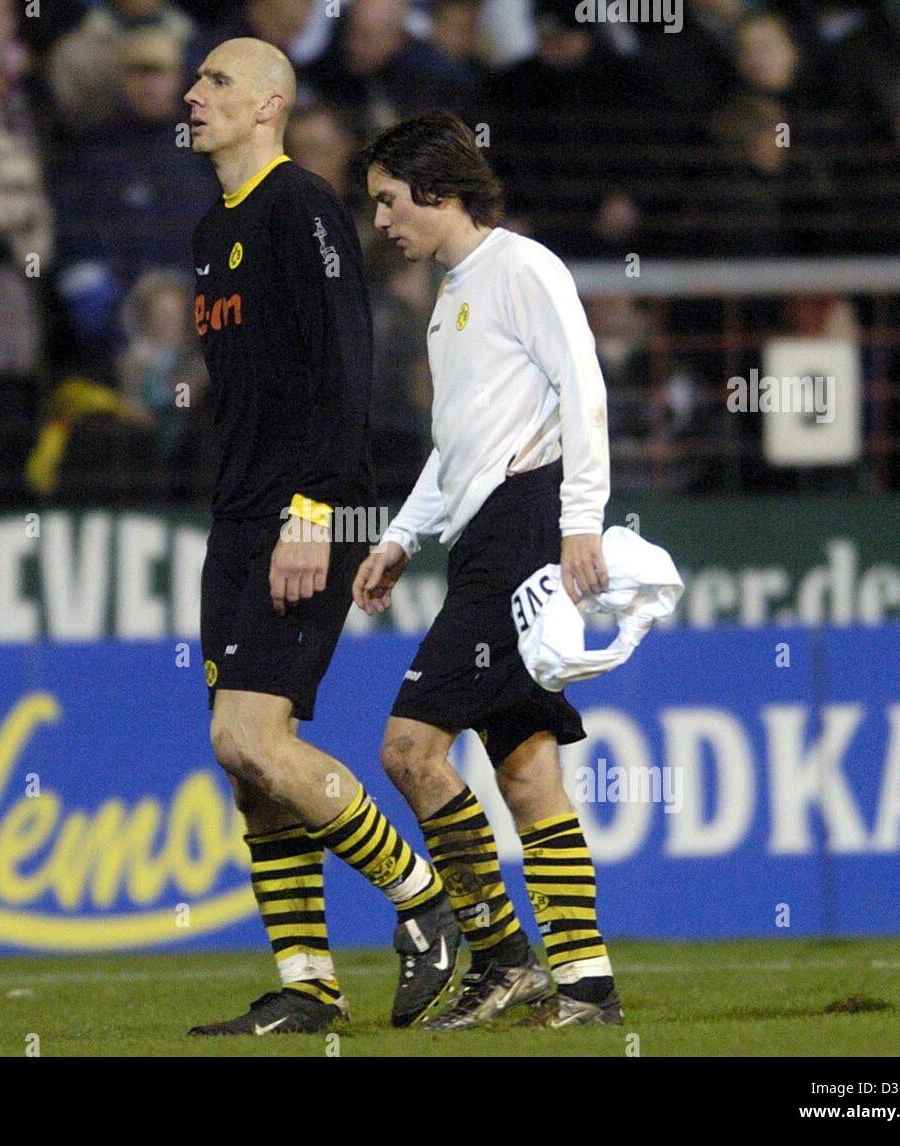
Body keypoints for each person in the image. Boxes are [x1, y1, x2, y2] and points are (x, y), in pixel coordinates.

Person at [182, 38, 459, 1036]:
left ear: (268, 106)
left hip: (313, 509)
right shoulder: (213, 230)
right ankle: (309, 982)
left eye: (215, 81)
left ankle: (424, 902)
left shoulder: (300, 208)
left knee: (244, 734)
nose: (192, 94)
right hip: (242, 513)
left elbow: (344, 371)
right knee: (250, 761)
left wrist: (311, 509)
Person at [354, 109, 623, 1029]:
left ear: (438, 189)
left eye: (390, 201)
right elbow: (456, 443)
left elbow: (583, 387)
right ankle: (584, 985)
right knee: (524, 769)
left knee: (408, 749)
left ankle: (500, 954)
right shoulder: (453, 295)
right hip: (484, 530)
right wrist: (400, 537)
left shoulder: (521, 268)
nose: (383, 220)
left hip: (523, 527)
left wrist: (580, 519)